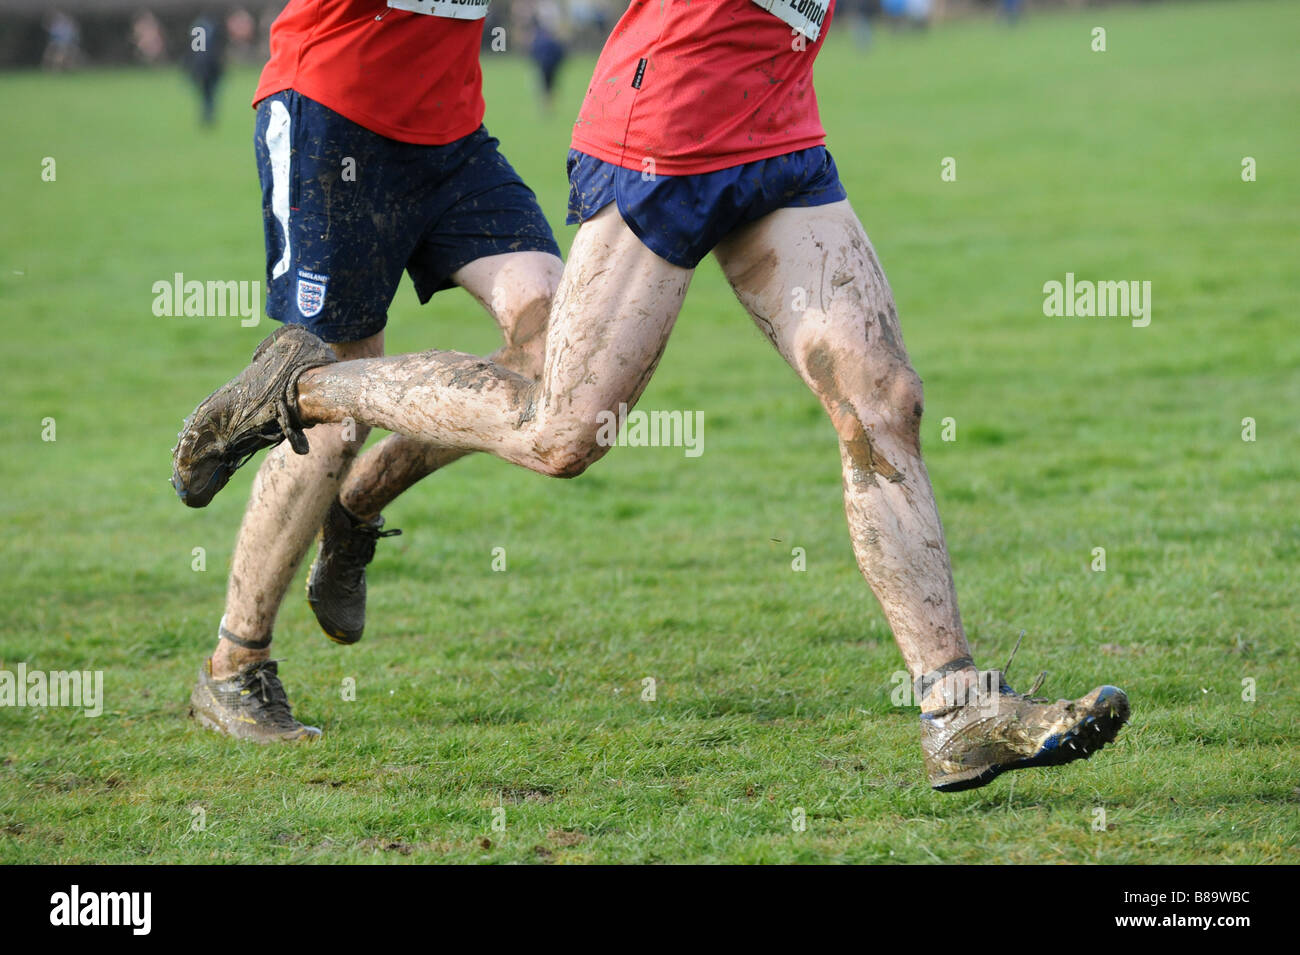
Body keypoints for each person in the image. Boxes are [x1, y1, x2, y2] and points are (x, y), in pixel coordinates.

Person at [174, 0, 1128, 791]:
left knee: (882, 398)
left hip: (753, 119)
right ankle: (280, 480)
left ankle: (954, 706)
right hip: (613, 123)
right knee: (553, 432)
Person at [177, 0, 564, 742]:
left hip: (453, 140)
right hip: (333, 113)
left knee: (559, 352)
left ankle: (354, 511)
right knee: (333, 413)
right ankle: (234, 666)